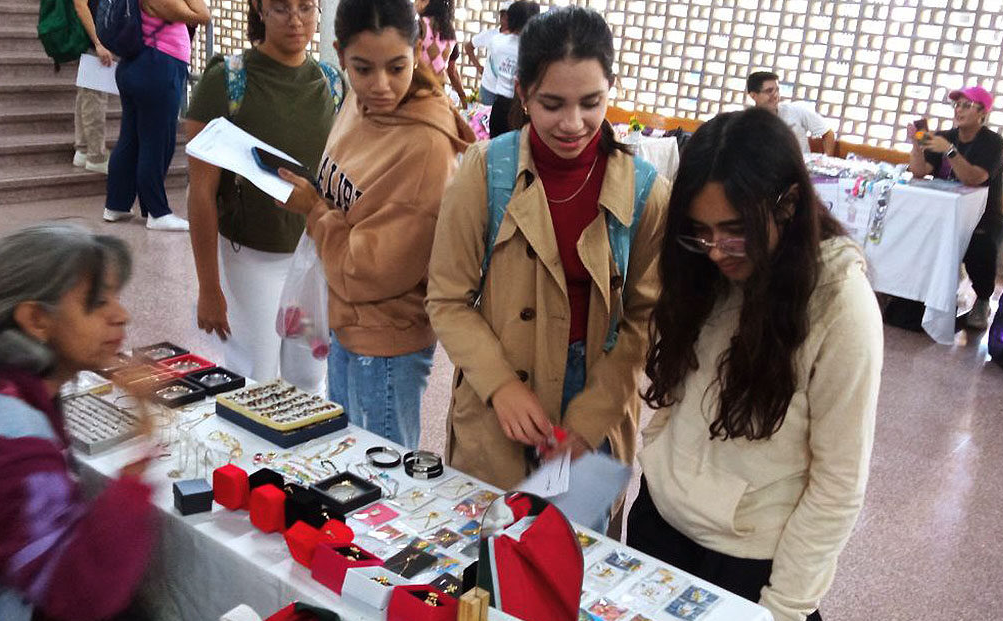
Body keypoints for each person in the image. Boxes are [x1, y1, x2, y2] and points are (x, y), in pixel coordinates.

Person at [628, 108, 882, 621]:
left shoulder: (840, 305)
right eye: (700, 232)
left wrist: (777, 618)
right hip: (659, 531)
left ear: (788, 203)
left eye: (735, 232)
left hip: (748, 566)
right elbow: (676, 388)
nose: (717, 251)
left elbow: (837, 485)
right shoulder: (702, 270)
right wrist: (660, 459)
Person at [426, 6, 669, 533]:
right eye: (551, 104)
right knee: (485, 555)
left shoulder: (644, 190)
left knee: (573, 564)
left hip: (597, 398)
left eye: (591, 103)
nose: (573, 124)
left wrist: (591, 416)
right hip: (501, 394)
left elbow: (644, 320)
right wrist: (499, 385)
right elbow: (446, 298)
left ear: (612, 87)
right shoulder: (484, 171)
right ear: (521, 91)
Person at [277, 0, 474, 447]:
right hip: (347, 323)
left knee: (381, 488)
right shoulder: (356, 103)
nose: (380, 86)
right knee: (350, 467)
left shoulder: (424, 145)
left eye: (396, 67)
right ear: (339, 54)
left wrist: (313, 210)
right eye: (363, 69)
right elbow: (344, 195)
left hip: (387, 343)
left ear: (418, 49)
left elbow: (370, 272)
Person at [0, 224, 158, 621]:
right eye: (98, 303)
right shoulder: (8, 442)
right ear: (35, 319)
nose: (122, 315)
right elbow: (80, 590)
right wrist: (135, 476)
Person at [185, 0, 339, 388]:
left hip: (312, 258)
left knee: (309, 375)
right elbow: (200, 192)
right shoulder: (227, 81)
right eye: (281, 7)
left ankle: (303, 449)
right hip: (252, 258)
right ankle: (247, 451)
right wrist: (208, 287)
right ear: (259, 8)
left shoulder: (332, 84)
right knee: (256, 374)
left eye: (306, 7)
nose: (295, 19)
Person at [103, 0, 210, 231]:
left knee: (130, 139)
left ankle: (117, 204)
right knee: (157, 140)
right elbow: (202, 15)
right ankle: (157, 211)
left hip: (137, 63)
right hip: (158, 63)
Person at [909, 85, 1003, 329]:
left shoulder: (993, 142)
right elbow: (920, 172)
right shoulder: (945, 136)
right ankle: (917, 294)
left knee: (980, 244)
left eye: (966, 105)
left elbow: (974, 178)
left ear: (982, 113)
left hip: (982, 217)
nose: (959, 110)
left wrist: (950, 151)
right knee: (914, 231)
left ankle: (982, 299)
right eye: (957, 105)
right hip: (945, 212)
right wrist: (916, 145)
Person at [747, 71, 836, 156]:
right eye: (769, 91)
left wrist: (826, 161)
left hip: (801, 169)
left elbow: (828, 132)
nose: (775, 95)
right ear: (753, 95)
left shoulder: (796, 110)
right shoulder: (746, 123)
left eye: (777, 90)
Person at [486, 0, 539, 138]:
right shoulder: (535, 49)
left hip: (499, 106)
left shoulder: (496, 41)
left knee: (496, 149)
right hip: (523, 109)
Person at [72, 0, 113, 174]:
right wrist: (98, 42)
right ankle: (96, 155)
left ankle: (83, 149)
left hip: (91, 41)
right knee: (95, 99)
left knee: (87, 96)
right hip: (95, 43)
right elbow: (80, 5)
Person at [414, 0, 467, 107]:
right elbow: (452, 72)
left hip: (416, 91)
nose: (416, 2)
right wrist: (463, 98)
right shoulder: (450, 32)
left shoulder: (417, 27)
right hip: (438, 93)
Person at [465, 0, 510, 106]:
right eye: (504, 16)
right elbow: (468, 47)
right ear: (501, 17)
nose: (506, 20)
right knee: (484, 118)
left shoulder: (517, 39)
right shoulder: (490, 35)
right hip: (488, 89)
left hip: (506, 92)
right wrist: (478, 67)